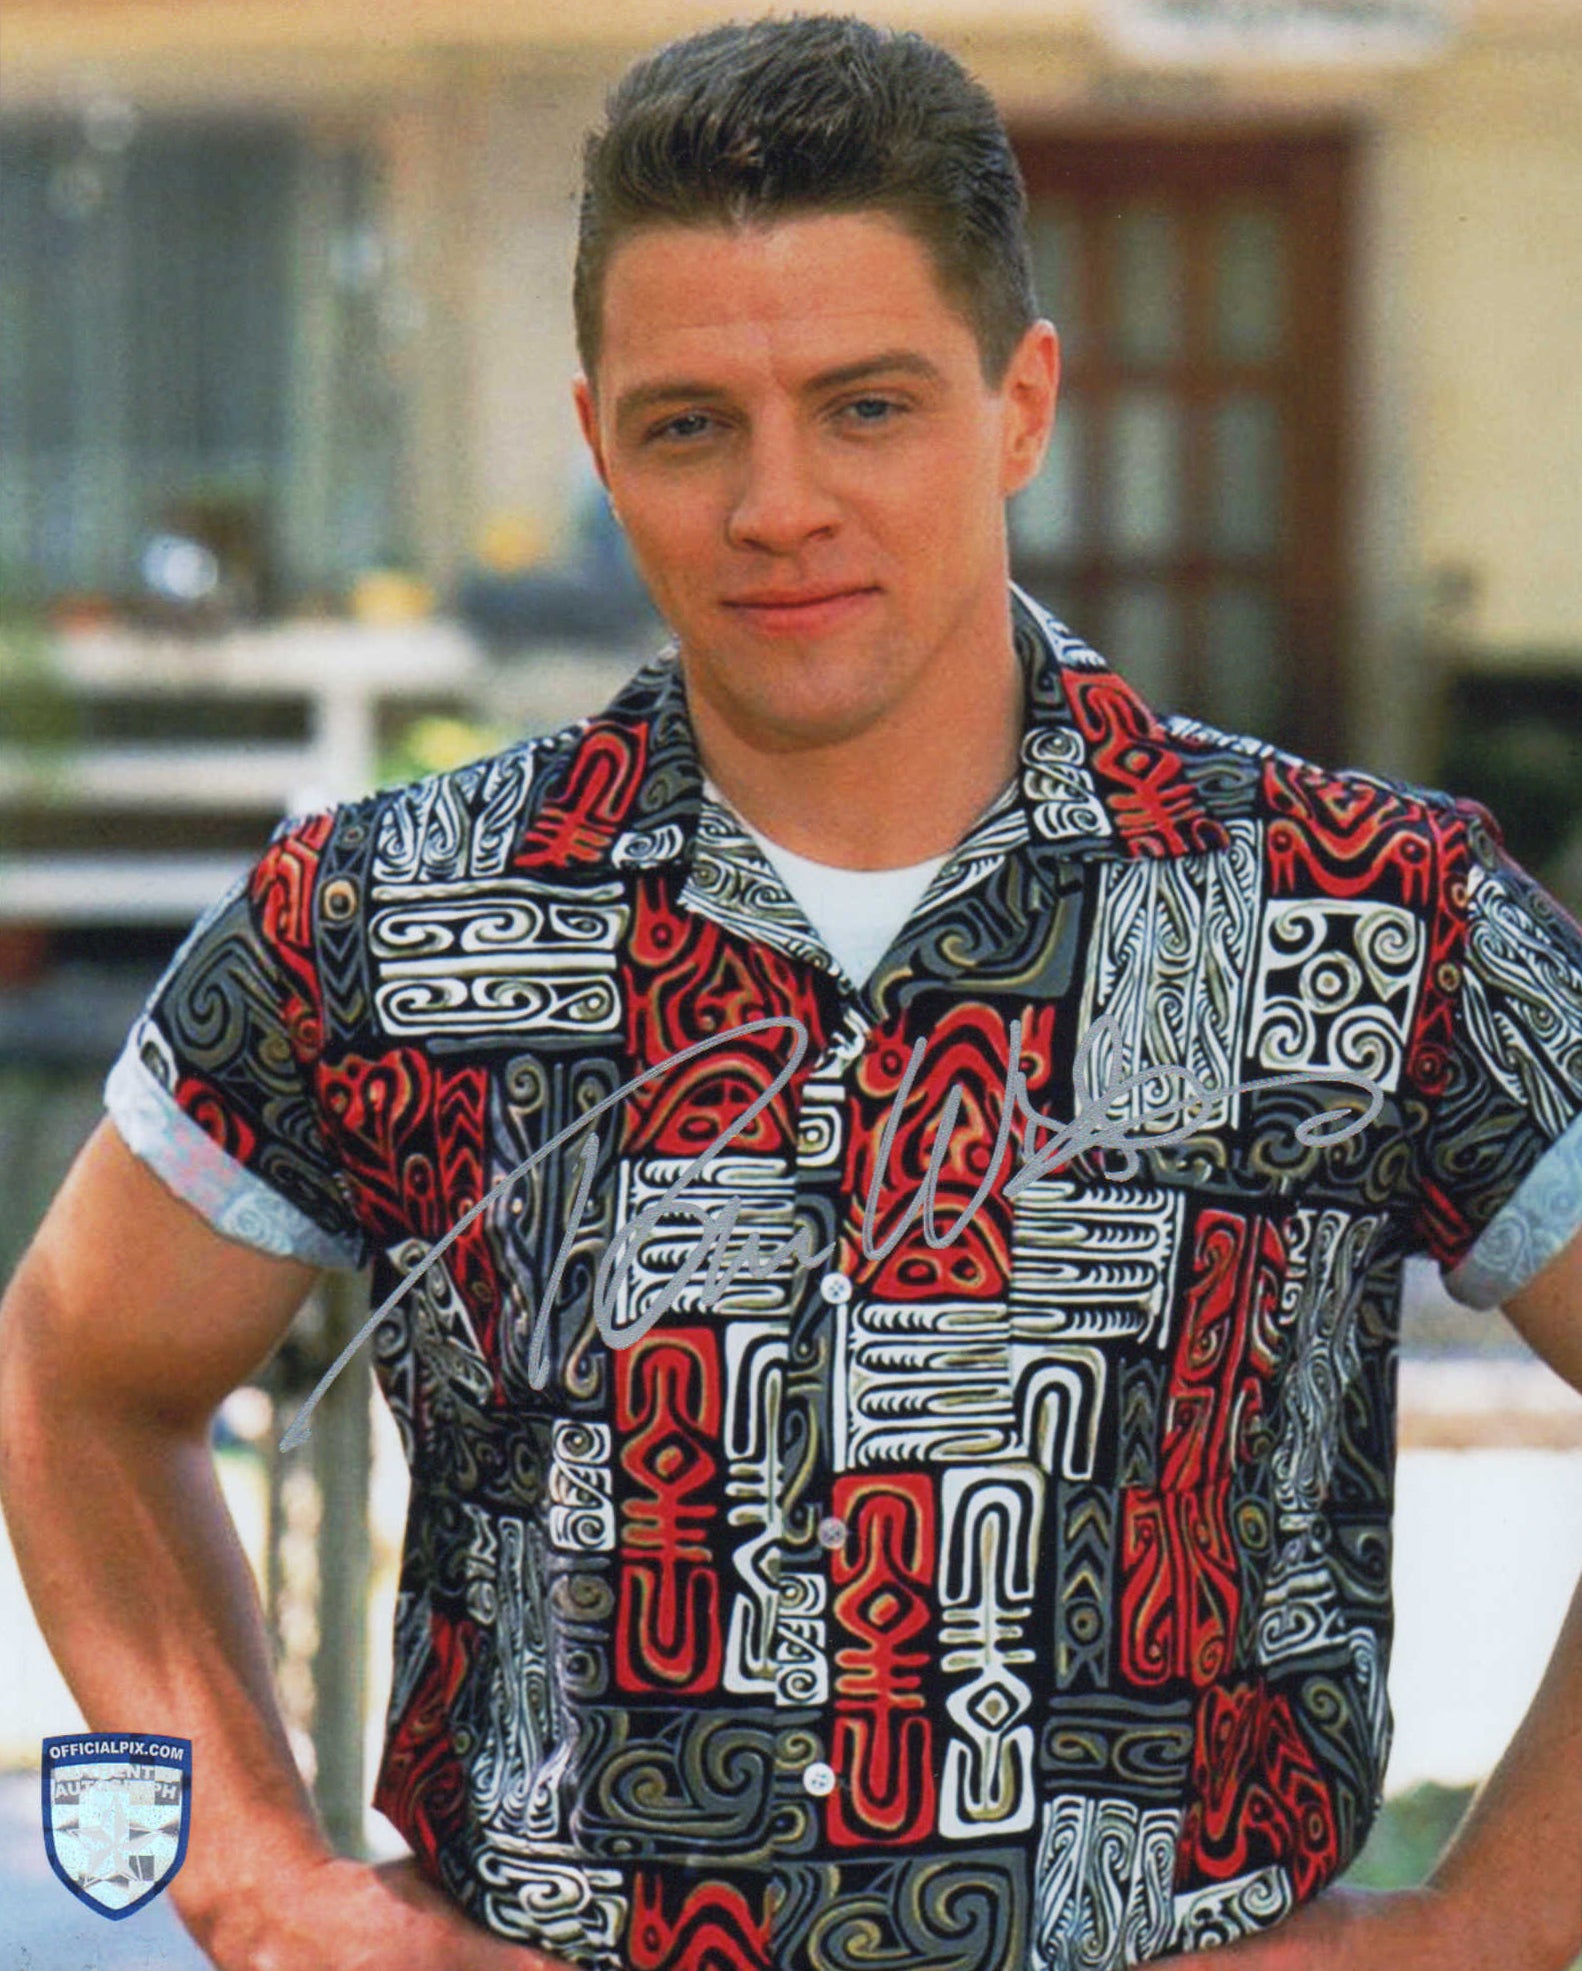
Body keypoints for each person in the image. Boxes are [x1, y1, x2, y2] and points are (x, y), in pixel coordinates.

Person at [1, 14, 1580, 1970]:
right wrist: (248, 1878)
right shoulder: (384, 921)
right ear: (600, 443)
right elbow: (77, 1373)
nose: (777, 504)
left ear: (1018, 404)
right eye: (690, 425)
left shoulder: (1363, 908)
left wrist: (1496, 1923)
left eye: (865, 405)